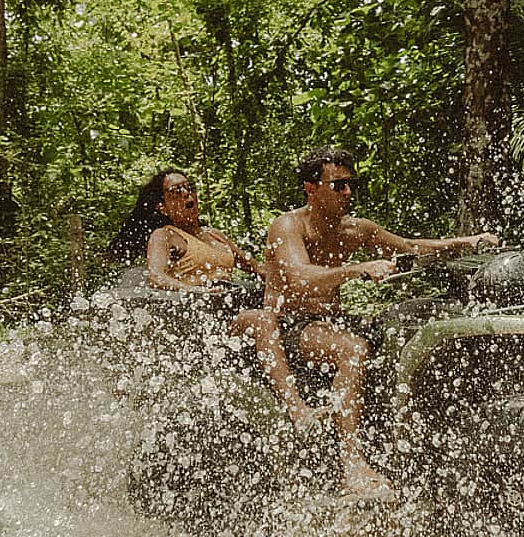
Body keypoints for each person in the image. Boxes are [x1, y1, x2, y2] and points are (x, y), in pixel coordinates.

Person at [237, 146, 499, 499]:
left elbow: (410, 247)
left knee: (405, 328)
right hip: (292, 327)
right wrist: (358, 269)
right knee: (353, 349)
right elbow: (300, 277)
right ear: (310, 188)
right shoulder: (288, 226)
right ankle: (353, 466)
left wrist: (469, 242)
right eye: (339, 185)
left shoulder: (356, 229)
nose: (349, 193)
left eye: (351, 185)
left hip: (333, 321)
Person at [107, 169, 264, 291]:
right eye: (176, 191)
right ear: (163, 208)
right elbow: (156, 277)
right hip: (196, 311)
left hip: (228, 307)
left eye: (189, 187)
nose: (186, 193)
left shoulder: (215, 235)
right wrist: (196, 291)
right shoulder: (165, 235)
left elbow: (257, 268)